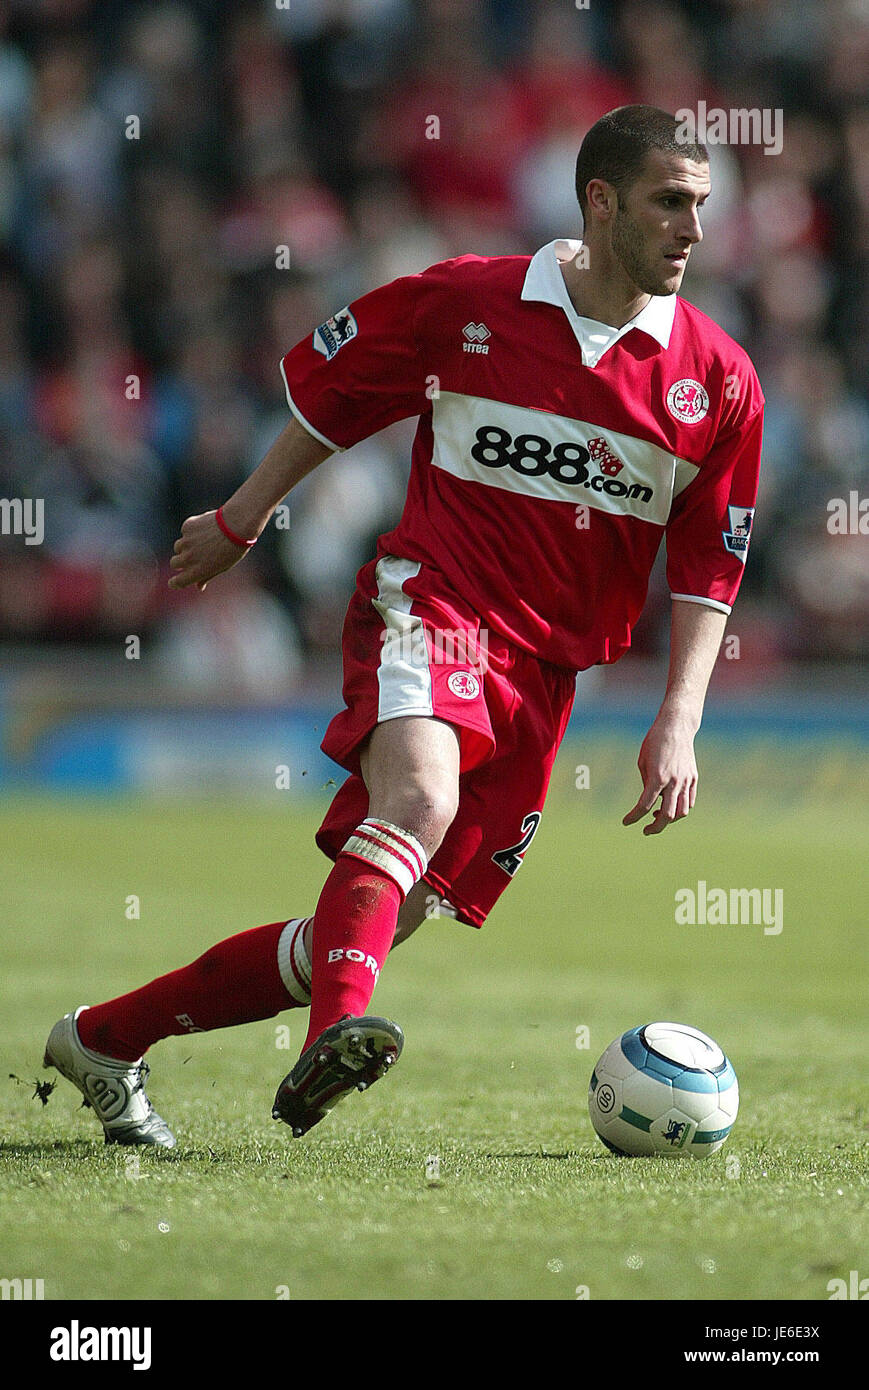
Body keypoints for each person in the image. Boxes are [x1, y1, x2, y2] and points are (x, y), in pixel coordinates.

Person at [44, 106, 764, 1148]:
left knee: (368, 925)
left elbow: (710, 565)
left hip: (550, 675)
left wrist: (679, 718)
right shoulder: (468, 301)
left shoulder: (718, 380)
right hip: (436, 603)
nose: (692, 227)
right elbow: (335, 395)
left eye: (699, 204)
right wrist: (244, 517)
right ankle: (332, 1040)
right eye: (668, 202)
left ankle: (103, 1039)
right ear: (598, 203)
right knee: (417, 797)